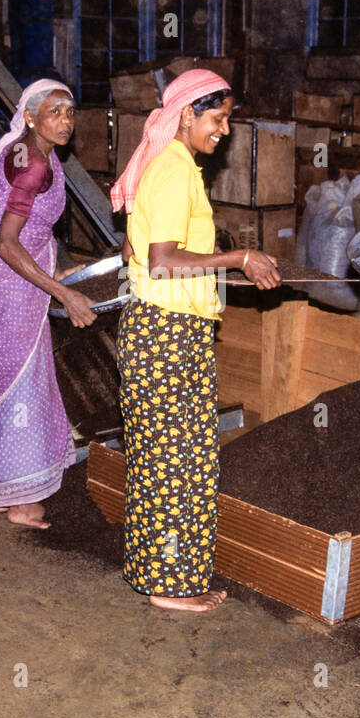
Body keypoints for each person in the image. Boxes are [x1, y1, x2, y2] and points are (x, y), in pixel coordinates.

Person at [111, 69, 281, 612]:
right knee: (174, 460)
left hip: (164, 327)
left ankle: (162, 574)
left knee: (170, 456)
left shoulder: (172, 165)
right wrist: (238, 258)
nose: (225, 130)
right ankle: (169, 585)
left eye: (227, 118)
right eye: (218, 118)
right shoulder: (173, 170)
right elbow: (161, 262)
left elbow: (131, 253)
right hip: (166, 333)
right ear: (187, 114)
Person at [0, 79, 96, 529]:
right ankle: (20, 501)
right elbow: (7, 242)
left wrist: (55, 270)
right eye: (54, 112)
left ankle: (4, 489)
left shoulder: (30, 150)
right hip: (10, 283)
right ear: (29, 116)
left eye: (70, 112)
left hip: (11, 278)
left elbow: (30, 229)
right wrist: (61, 292)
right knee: (17, 384)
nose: (65, 120)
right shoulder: (32, 164)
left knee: (5, 378)